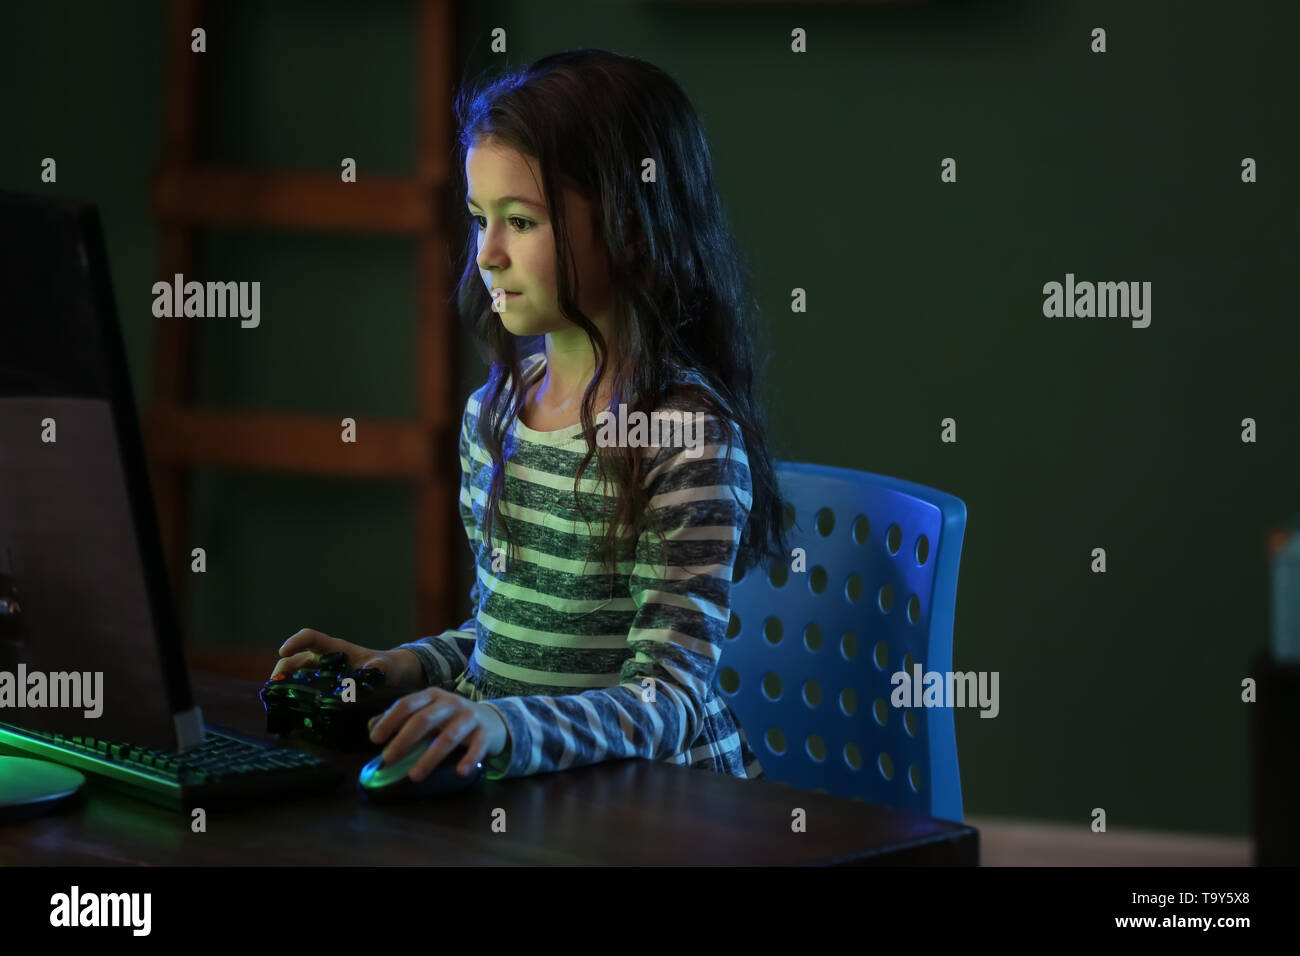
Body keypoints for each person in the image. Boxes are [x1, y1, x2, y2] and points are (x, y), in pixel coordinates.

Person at [271, 49, 788, 784]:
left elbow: (668, 697)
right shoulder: (494, 417)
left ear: (632, 229)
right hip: (540, 795)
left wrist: (501, 724)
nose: (487, 254)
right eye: (480, 218)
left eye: (520, 221)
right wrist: (406, 668)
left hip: (669, 813)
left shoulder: (684, 439)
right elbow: (508, 640)